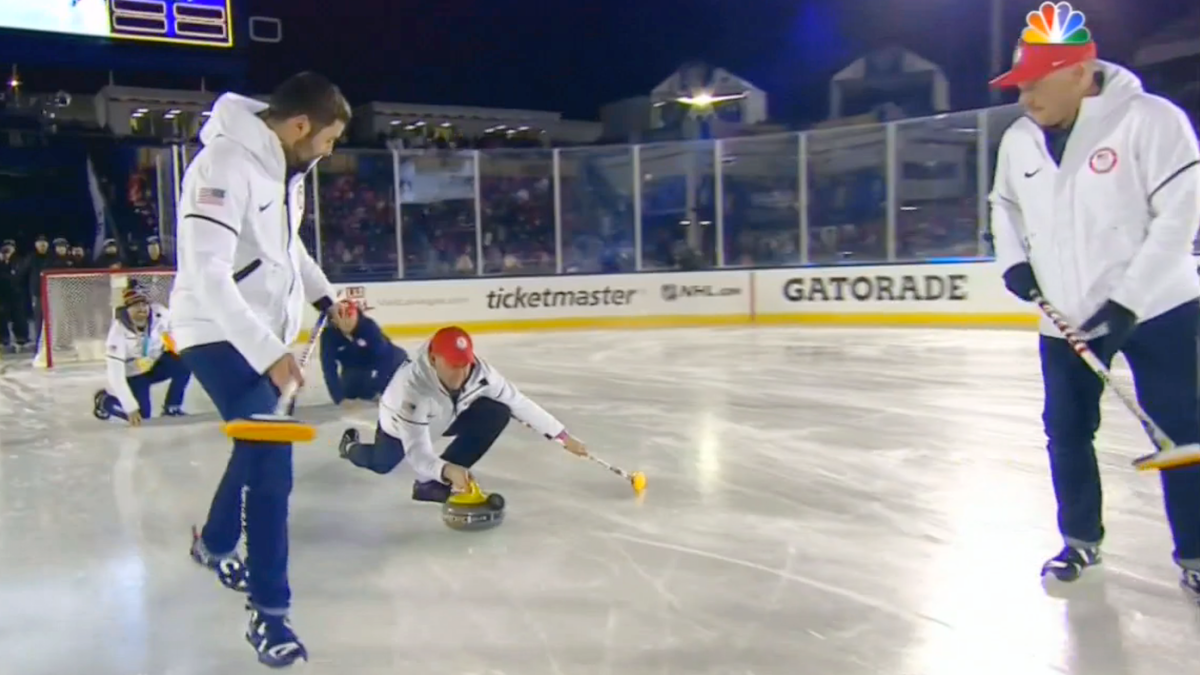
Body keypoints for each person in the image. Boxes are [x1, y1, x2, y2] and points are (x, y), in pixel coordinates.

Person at [989, 34, 1200, 597]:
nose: (1025, 97)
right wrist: (1013, 261)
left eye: (1037, 83)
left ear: (1080, 75)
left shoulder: (1152, 120)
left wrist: (1128, 301)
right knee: (1066, 430)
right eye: (1020, 85)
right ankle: (1080, 539)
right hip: (1065, 314)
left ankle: (1197, 553)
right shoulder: (1019, 140)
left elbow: (1180, 217)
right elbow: (1003, 206)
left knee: (1183, 432)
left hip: (1159, 308)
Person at [168, 72, 353, 667]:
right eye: (328, 139)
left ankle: (215, 543)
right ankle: (270, 615)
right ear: (299, 125)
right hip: (213, 332)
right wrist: (269, 353)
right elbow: (207, 274)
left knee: (255, 443)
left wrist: (326, 298)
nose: (329, 151)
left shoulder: (285, 170)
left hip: (259, 337)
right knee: (271, 461)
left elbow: (288, 247)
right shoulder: (223, 165)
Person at [338, 326, 588, 502]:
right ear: (433, 359)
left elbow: (519, 402)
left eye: (464, 364)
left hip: (445, 417)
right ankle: (350, 448)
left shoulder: (482, 373)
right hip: (399, 426)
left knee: (497, 412)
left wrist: (563, 436)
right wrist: (448, 469)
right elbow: (418, 454)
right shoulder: (412, 389)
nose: (460, 374)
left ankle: (431, 486)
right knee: (382, 464)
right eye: (452, 365)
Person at [93, 282, 190, 424]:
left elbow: (176, 331)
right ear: (127, 308)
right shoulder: (117, 332)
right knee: (142, 417)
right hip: (134, 374)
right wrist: (130, 407)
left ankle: (172, 406)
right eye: (135, 305)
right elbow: (115, 374)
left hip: (155, 364)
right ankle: (105, 401)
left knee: (187, 361)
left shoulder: (160, 314)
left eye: (144, 304)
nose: (142, 308)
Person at [320, 301, 407, 405]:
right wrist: (340, 399)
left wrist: (380, 390)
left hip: (390, 360)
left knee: (396, 367)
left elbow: (385, 358)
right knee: (352, 392)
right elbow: (329, 368)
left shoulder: (369, 327)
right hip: (356, 366)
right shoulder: (329, 336)